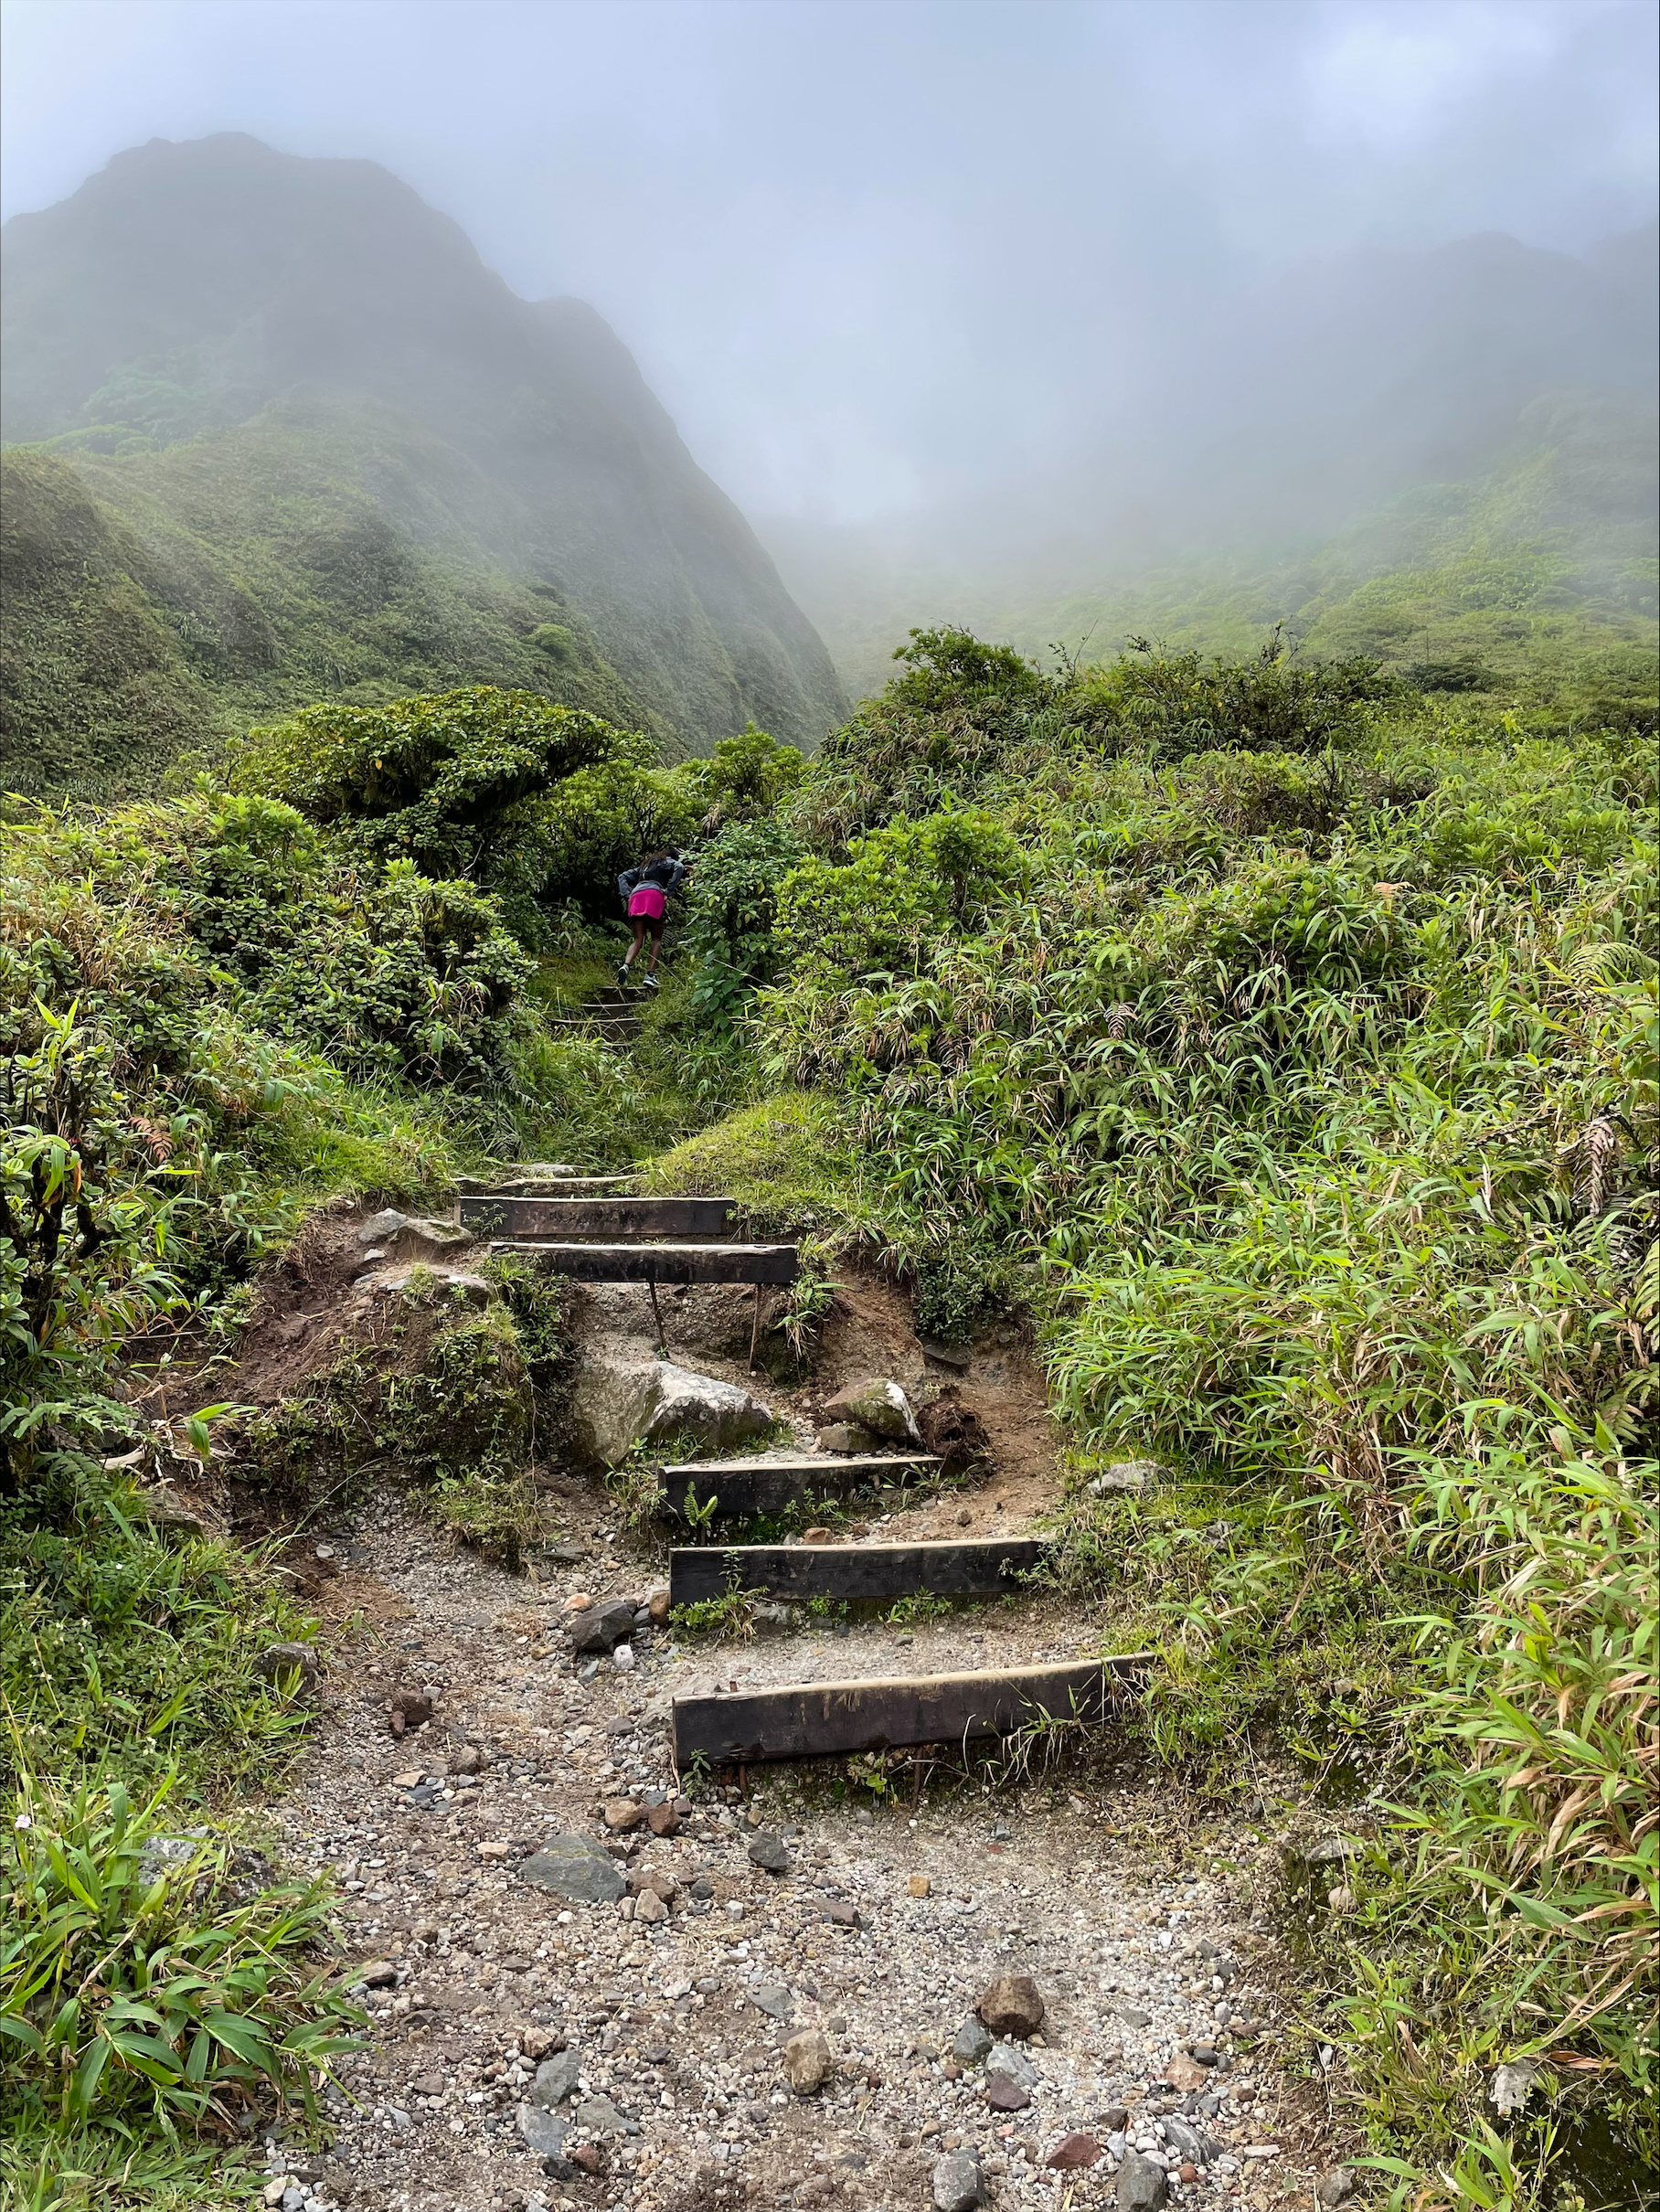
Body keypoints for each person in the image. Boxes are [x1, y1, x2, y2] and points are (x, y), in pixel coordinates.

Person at [616, 849, 686, 989]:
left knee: (638, 939)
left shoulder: (645, 866)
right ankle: (650, 975)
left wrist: (627, 894)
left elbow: (622, 876)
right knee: (657, 938)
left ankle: (626, 966)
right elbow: (680, 867)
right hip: (654, 895)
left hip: (636, 896)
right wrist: (669, 890)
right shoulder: (668, 861)